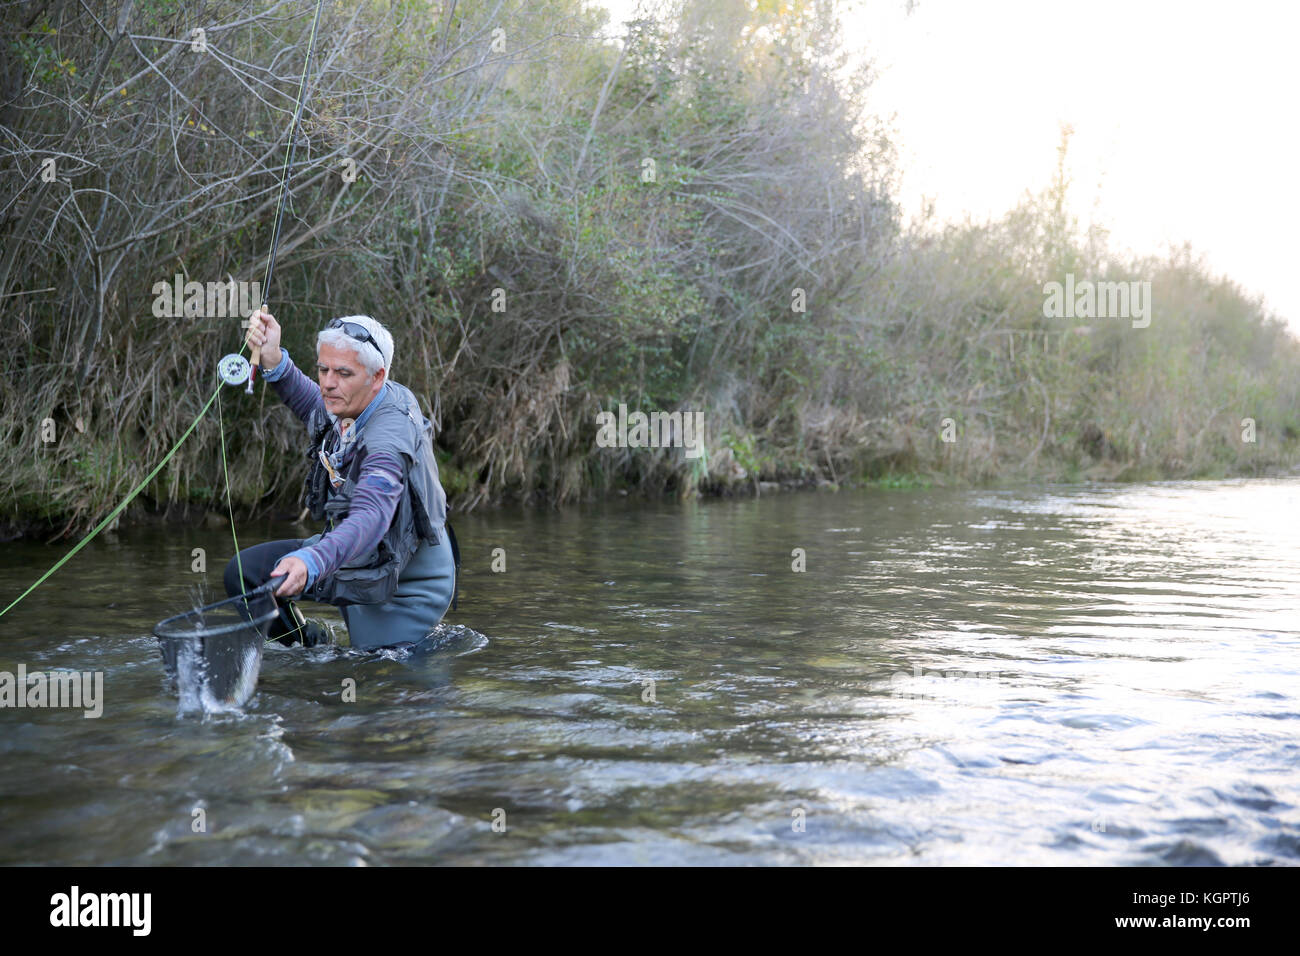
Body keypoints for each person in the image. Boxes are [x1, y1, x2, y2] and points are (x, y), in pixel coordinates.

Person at [224, 309, 457, 649]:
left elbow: (372, 515)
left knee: (375, 682)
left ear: (377, 377)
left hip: (407, 583)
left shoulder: (388, 439)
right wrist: (273, 358)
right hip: (357, 555)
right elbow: (314, 407)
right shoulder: (352, 401)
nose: (328, 382)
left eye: (343, 373)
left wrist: (312, 561)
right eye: (323, 369)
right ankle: (307, 648)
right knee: (246, 576)